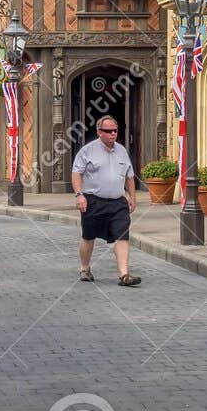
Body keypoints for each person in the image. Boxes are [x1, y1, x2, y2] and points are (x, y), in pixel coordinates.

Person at [71, 116, 141, 287]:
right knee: (88, 236)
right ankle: (85, 268)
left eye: (115, 131)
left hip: (118, 202)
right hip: (93, 201)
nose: (113, 134)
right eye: (108, 131)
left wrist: (132, 197)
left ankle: (124, 274)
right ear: (99, 132)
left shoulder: (122, 151)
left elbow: (129, 176)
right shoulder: (88, 151)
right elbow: (76, 173)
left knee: (122, 235)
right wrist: (79, 194)